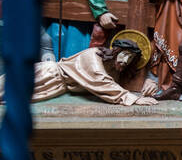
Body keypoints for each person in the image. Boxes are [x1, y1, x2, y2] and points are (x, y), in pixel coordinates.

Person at [2, 29, 159, 106]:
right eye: (124, 54)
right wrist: (134, 99)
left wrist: (150, 81)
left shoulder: (115, 70)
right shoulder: (94, 56)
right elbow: (99, 80)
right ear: (116, 50)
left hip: (58, 86)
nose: (125, 60)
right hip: (48, 74)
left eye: (130, 59)